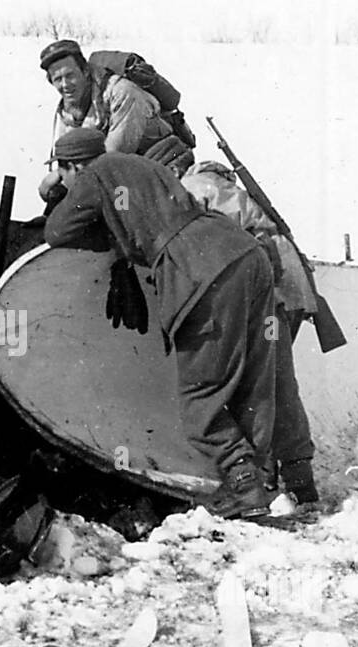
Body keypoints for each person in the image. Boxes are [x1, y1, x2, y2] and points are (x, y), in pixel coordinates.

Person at [42, 128, 277, 519]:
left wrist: (56, 193)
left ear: (73, 166)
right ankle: (262, 480)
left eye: (63, 172)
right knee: (253, 377)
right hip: (241, 250)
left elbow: (56, 232)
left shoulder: (93, 174)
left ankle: (243, 480)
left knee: (199, 392)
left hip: (197, 267)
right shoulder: (137, 165)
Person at [182, 160, 320, 504]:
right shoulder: (233, 192)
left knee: (258, 388)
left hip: (265, 293)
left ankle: (262, 481)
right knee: (280, 383)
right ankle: (300, 481)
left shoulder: (199, 186)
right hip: (287, 294)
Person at [37, 38, 193, 205]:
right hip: (119, 168)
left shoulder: (123, 92)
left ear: (85, 71)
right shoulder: (69, 105)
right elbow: (70, 152)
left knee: (120, 211)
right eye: (57, 79)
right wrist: (54, 182)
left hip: (159, 163)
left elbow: (113, 157)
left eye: (70, 75)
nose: (65, 85)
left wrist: (69, 181)